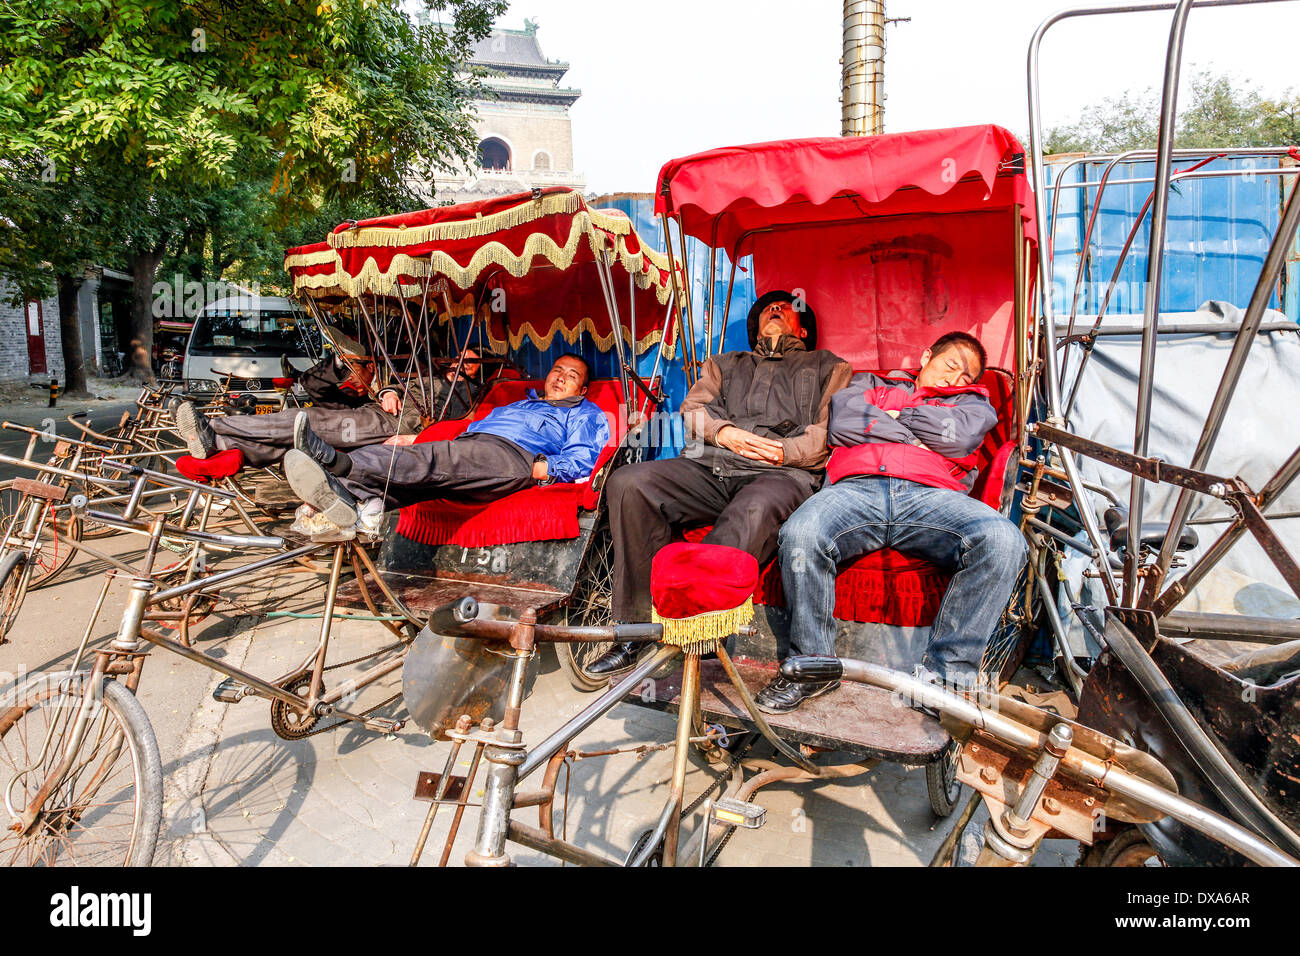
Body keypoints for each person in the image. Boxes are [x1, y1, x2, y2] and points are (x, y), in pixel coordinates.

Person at [755, 331, 1027, 714]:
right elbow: (844, 423)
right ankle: (814, 667)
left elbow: (960, 440)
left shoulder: (975, 403)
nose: (955, 380)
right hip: (856, 489)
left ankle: (944, 679)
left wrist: (894, 417)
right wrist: (919, 434)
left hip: (932, 497)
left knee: (1004, 540)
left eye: (966, 377)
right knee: (802, 533)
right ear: (926, 355)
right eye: (950, 366)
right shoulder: (871, 383)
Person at [585, 290, 853, 677]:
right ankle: (636, 630)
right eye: (766, 309)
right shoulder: (725, 364)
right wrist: (725, 433)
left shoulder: (830, 366)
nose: (774, 311)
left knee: (753, 508)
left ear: (805, 329)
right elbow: (693, 411)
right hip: (712, 464)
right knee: (630, 482)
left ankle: (701, 631)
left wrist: (780, 452)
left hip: (781, 472)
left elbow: (829, 432)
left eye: (785, 309)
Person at [284, 352, 610, 534]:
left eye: (571, 374)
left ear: (582, 389)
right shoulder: (521, 404)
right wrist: (420, 435)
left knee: (438, 459)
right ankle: (346, 495)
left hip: (515, 457)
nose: (560, 376)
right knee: (425, 469)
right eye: (557, 369)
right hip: (476, 445)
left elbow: (583, 457)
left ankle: (342, 465)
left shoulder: (583, 413)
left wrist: (543, 468)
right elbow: (469, 428)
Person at [174, 330, 481, 468]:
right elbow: (400, 388)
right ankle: (223, 443)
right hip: (379, 413)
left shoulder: (473, 396)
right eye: (459, 360)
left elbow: (462, 431)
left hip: (389, 426)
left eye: (469, 363)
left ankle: (215, 427)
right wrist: (388, 392)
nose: (460, 366)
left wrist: (414, 438)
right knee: (299, 433)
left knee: (307, 423)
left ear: (480, 368)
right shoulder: (431, 380)